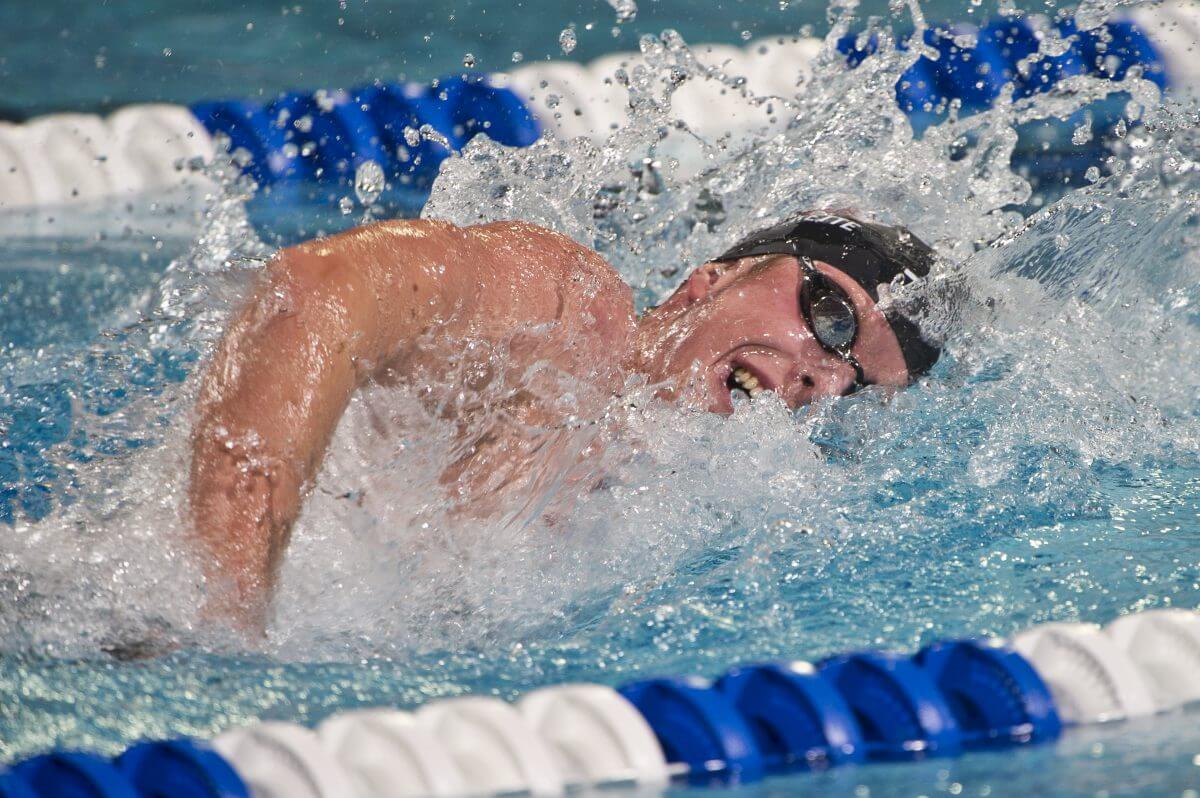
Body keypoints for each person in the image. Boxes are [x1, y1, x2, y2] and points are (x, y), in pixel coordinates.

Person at [189, 209, 941, 632]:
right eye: (833, 318)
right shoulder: (571, 318)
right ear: (708, 280)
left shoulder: (693, 535)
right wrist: (228, 616)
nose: (825, 379)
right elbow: (316, 289)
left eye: (856, 387)